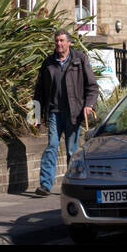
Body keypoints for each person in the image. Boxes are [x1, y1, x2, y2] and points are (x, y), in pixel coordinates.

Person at [32, 29, 99, 196]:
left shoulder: (79, 59)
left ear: (69, 42)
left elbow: (92, 86)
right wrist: (35, 115)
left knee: (71, 151)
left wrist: (89, 105)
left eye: (62, 41)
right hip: (54, 112)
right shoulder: (48, 63)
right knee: (52, 146)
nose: (59, 44)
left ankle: (73, 185)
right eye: (56, 41)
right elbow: (38, 91)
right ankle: (45, 185)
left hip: (74, 113)